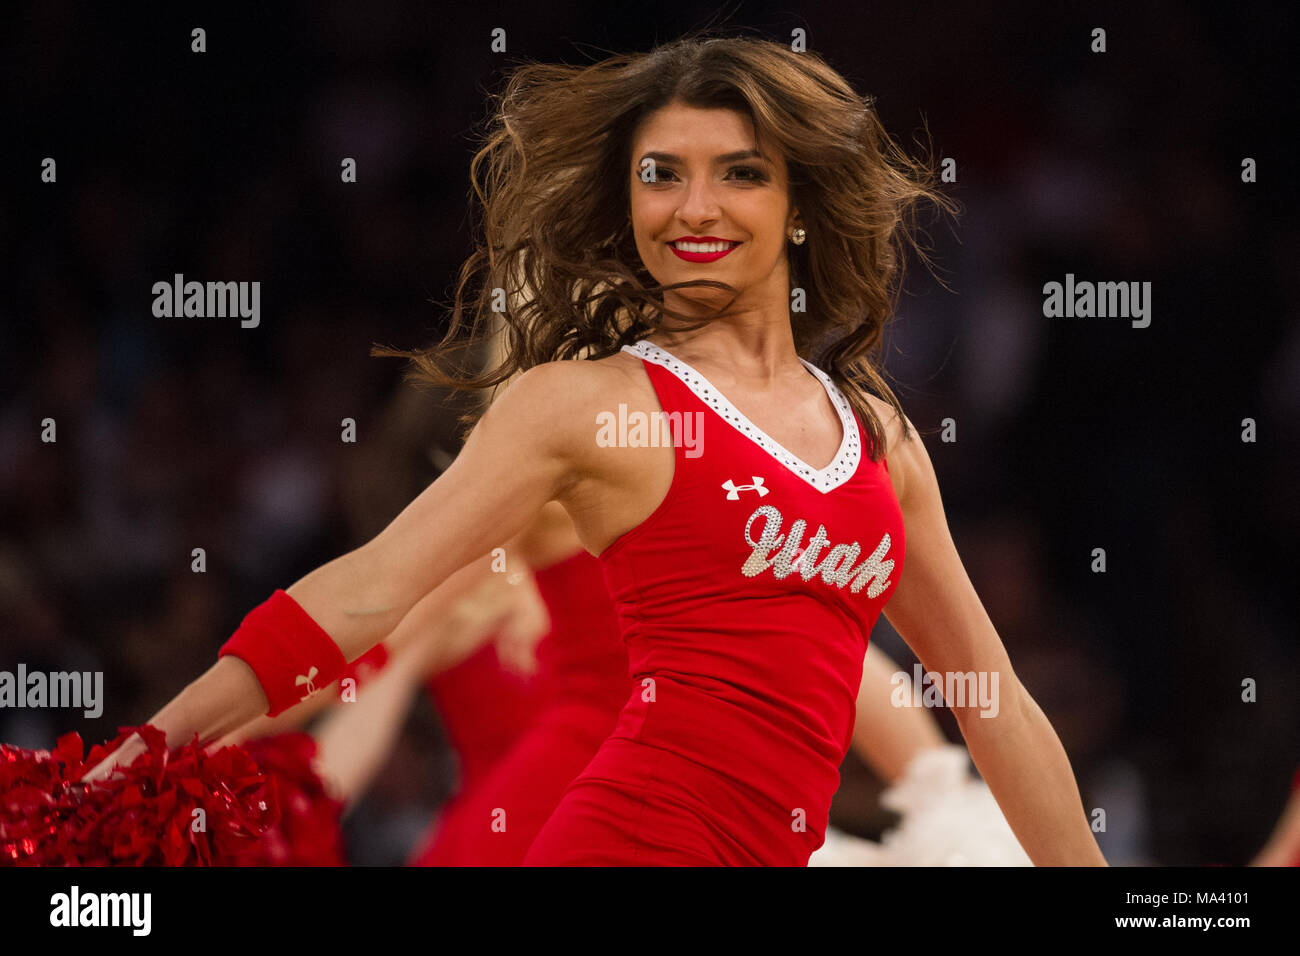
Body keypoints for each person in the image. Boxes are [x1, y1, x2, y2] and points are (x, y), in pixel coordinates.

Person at [84, 35, 1105, 866]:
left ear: (800, 205)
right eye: (662, 175)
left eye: (739, 174)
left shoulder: (881, 440)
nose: (694, 207)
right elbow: (371, 588)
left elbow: (993, 697)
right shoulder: (584, 403)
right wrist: (154, 743)